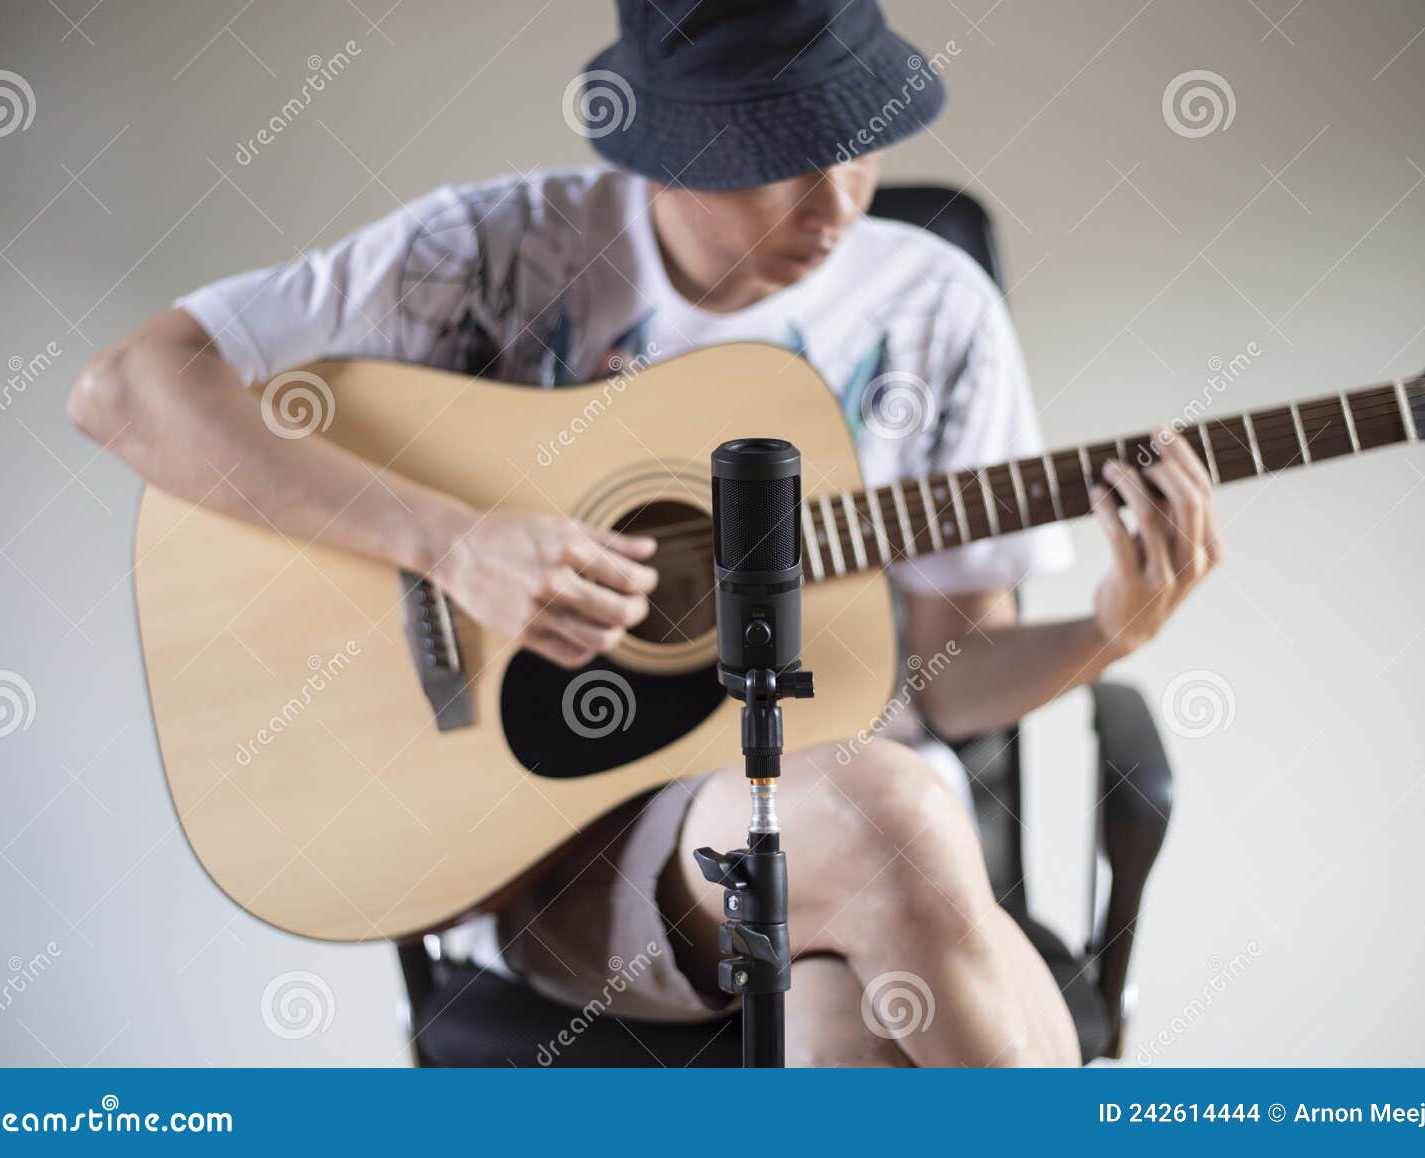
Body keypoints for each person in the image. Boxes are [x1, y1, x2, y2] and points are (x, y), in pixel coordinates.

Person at [68, 0, 1220, 1067]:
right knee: (888, 814)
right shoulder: (490, 252)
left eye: (861, 145)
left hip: (849, 843)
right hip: (562, 855)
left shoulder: (935, 304)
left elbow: (950, 680)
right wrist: (450, 542)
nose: (836, 204)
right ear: (662, 149)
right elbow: (127, 390)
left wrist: (1110, 633)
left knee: (851, 1018)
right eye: (782, 162)